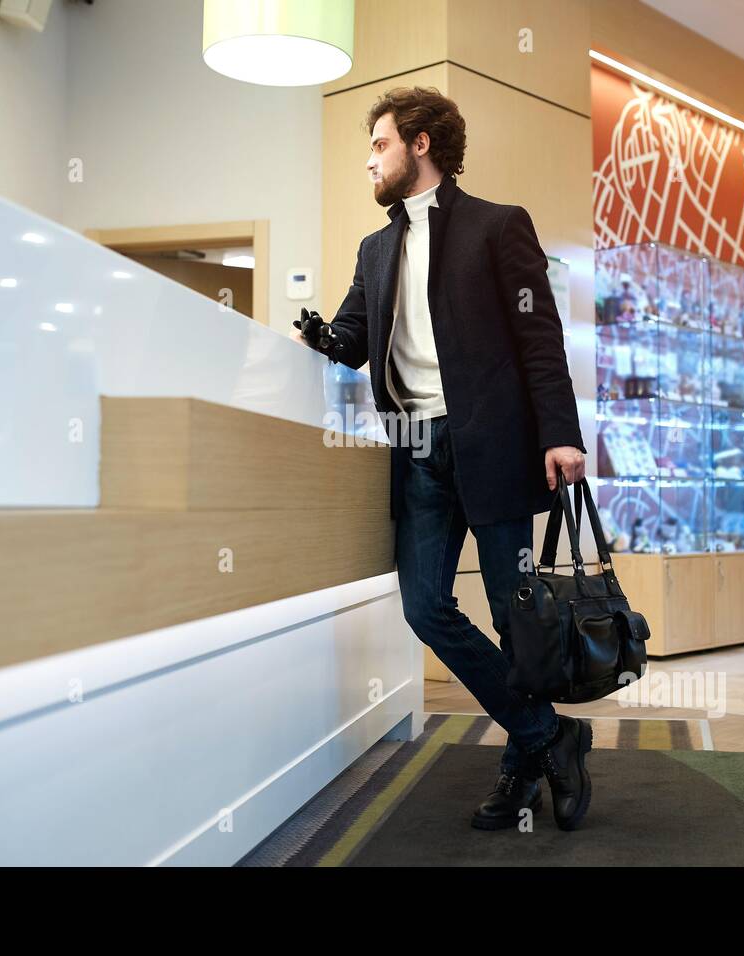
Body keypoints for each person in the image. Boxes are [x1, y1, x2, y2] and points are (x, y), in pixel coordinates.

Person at [290, 86, 592, 831]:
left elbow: (539, 339)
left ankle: (526, 759)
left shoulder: (498, 227)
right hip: (417, 449)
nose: (371, 160)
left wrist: (561, 431)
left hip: (489, 445)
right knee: (425, 606)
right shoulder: (377, 248)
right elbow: (354, 341)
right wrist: (318, 338)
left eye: (381, 144)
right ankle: (546, 735)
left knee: (513, 613)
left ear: (421, 143)